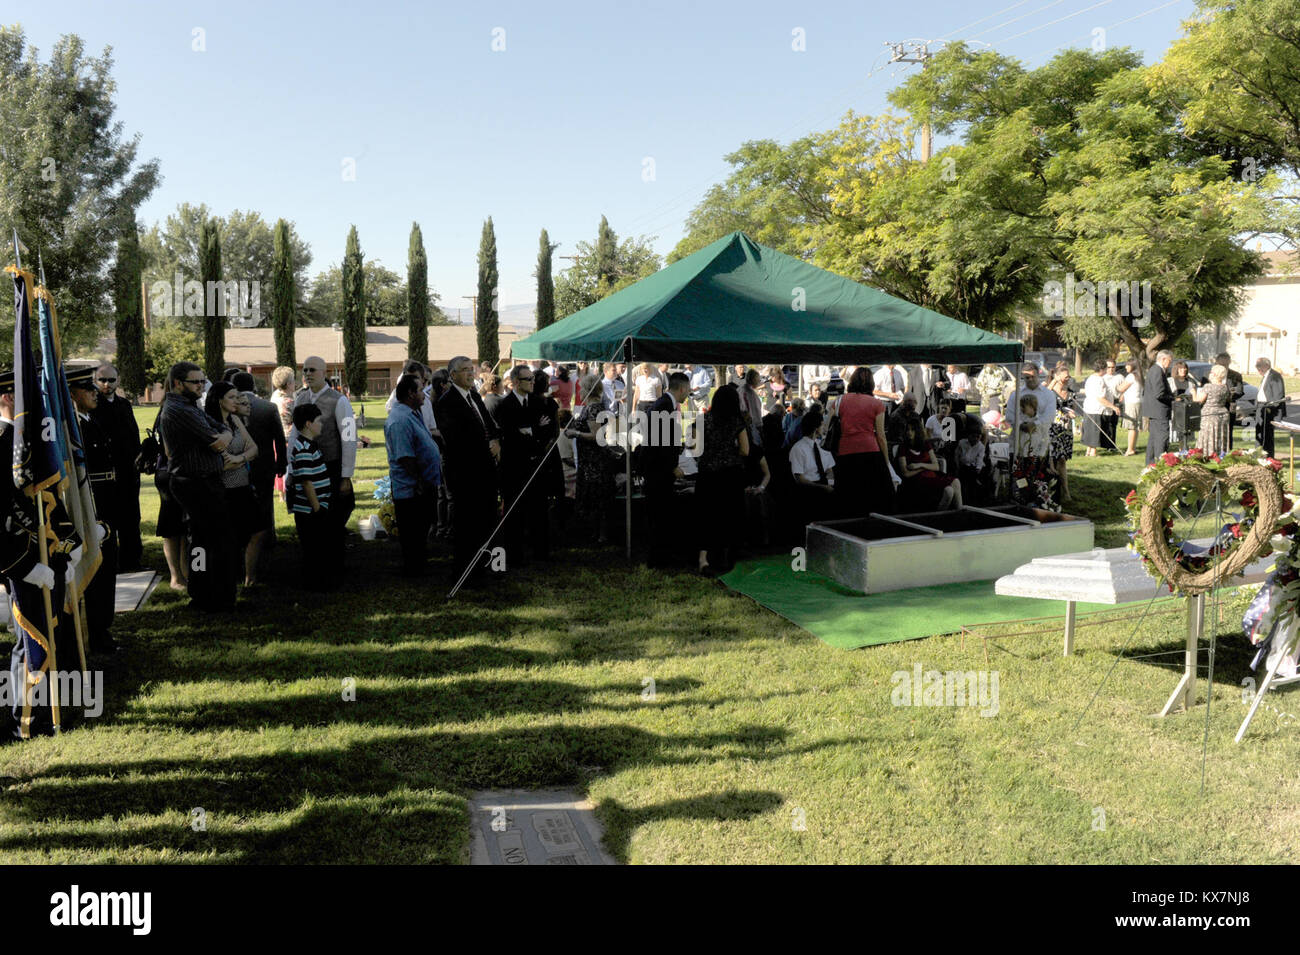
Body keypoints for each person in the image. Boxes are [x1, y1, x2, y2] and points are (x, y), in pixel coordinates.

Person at [157, 361, 236, 612]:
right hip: (194, 484)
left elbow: (221, 429)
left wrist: (223, 436)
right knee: (207, 542)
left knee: (205, 540)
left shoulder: (190, 405)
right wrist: (223, 438)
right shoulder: (180, 410)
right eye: (196, 382)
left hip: (204, 481)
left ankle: (208, 591)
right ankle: (207, 593)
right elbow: (218, 442)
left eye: (203, 381)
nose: (202, 386)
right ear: (178, 383)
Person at [436, 356, 502, 583]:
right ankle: (464, 573)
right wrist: (486, 448)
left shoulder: (473, 396)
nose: (470, 373)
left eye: (470, 369)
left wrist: (495, 441)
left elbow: (490, 425)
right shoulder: (447, 403)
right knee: (467, 526)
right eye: (464, 370)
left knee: (485, 522)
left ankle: (483, 568)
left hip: (485, 472)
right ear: (452, 375)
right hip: (465, 474)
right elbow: (456, 442)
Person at [68, 368, 118, 653]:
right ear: (73, 394)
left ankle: (103, 628)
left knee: (109, 563)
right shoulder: (72, 427)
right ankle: (95, 632)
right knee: (97, 567)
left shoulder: (90, 420)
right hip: (92, 503)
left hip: (107, 500)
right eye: (88, 390)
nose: (95, 393)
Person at [290, 357, 357, 555]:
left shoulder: (339, 400)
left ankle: (333, 559)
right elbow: (294, 435)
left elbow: (349, 439)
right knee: (309, 516)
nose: (308, 374)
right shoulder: (299, 398)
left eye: (312, 370)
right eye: (305, 370)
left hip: (331, 467)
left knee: (334, 516)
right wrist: (290, 467)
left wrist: (346, 476)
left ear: (324, 373)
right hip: (305, 468)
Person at [384, 373, 443, 576]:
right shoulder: (400, 420)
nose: (424, 396)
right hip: (410, 489)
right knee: (412, 532)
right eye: (420, 391)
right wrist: (420, 482)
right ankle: (414, 569)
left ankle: (419, 563)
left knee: (420, 530)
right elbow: (405, 457)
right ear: (410, 393)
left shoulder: (411, 413)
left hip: (420, 485)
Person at [230, 372, 286, 585]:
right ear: (253, 385)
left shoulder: (230, 405)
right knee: (264, 504)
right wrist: (281, 464)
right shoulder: (267, 407)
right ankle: (267, 537)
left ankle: (242, 545)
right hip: (263, 465)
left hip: (236, 465)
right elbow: (279, 440)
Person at [204, 382, 260, 592]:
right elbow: (221, 462)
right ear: (219, 400)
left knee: (254, 531)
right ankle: (226, 578)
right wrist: (238, 460)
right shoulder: (209, 424)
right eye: (232, 397)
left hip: (243, 485)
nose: (237, 401)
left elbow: (254, 448)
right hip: (224, 489)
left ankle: (247, 577)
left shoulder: (235, 420)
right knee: (228, 537)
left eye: (238, 397)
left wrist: (239, 458)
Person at [88, 363, 142, 572]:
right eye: (102, 380)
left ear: (118, 381)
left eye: (111, 380)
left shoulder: (124, 405)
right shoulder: (92, 407)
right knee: (108, 521)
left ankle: (132, 561)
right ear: (95, 381)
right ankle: (108, 562)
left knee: (131, 520)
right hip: (105, 475)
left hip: (128, 473)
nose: (106, 384)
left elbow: (132, 435)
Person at [495, 364, 550, 566]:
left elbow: (545, 431)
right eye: (528, 380)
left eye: (533, 379)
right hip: (514, 466)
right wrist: (532, 431)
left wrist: (530, 432)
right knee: (514, 511)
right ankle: (514, 554)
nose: (533, 383)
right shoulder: (505, 405)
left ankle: (540, 552)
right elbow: (511, 436)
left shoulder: (537, 402)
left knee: (538, 510)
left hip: (535, 465)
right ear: (516, 382)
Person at [694, 382, 749, 576]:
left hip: (707, 474)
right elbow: (745, 450)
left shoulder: (703, 420)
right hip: (730, 475)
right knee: (728, 516)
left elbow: (694, 447)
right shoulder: (736, 422)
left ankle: (703, 559)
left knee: (706, 517)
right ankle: (725, 557)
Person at [643, 372, 689, 568]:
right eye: (687, 390)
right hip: (658, 470)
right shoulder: (665, 407)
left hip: (656, 467)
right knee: (660, 514)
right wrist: (672, 466)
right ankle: (658, 558)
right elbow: (661, 442)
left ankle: (660, 556)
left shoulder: (663, 404)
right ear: (681, 389)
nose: (687, 394)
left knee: (660, 514)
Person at [833, 367, 892, 517]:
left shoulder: (839, 401)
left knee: (848, 496)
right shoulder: (877, 404)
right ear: (871, 383)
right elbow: (880, 436)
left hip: (845, 451)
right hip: (870, 452)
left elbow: (830, 425)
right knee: (873, 496)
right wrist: (886, 461)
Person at [289, 404, 337, 590]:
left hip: (315, 507)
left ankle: (319, 579)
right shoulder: (303, 449)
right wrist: (317, 508)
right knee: (313, 547)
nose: (322, 424)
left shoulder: (309, 445)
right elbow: (306, 482)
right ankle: (315, 582)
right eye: (318, 421)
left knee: (319, 546)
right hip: (309, 511)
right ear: (308, 424)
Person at [567, 373, 617, 544]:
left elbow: (596, 436)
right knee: (598, 498)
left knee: (596, 497)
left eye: (581, 388)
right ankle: (597, 533)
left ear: (587, 390)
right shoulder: (597, 407)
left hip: (594, 461)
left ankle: (599, 535)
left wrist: (576, 433)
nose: (579, 392)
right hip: (594, 460)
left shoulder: (593, 408)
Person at [896, 416, 961, 511]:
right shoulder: (903, 447)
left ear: (917, 431)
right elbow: (906, 473)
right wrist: (925, 468)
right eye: (908, 430)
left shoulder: (925, 444)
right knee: (949, 491)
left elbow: (936, 466)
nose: (909, 432)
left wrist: (920, 465)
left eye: (912, 430)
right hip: (917, 480)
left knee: (956, 481)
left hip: (932, 475)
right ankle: (938, 516)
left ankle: (959, 511)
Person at [788, 408, 837, 522]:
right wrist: (823, 487)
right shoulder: (798, 449)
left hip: (823, 487)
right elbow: (799, 479)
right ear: (816, 429)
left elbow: (829, 470)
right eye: (822, 425)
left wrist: (830, 484)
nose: (824, 427)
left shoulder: (819, 447)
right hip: (807, 491)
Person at [1080, 360, 1121, 457]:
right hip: (1096, 409)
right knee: (1095, 431)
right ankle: (1093, 452)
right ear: (1102, 369)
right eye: (1106, 368)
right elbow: (1100, 398)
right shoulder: (1099, 380)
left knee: (1091, 430)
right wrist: (1113, 407)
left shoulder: (1090, 378)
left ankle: (1089, 451)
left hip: (1089, 408)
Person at [1046, 365, 1075, 502]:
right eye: (1065, 377)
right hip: (1053, 427)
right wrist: (1053, 381)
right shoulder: (1051, 392)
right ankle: (1052, 491)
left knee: (1062, 460)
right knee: (1052, 459)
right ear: (1058, 377)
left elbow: (1073, 408)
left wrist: (1072, 415)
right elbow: (1044, 396)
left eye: (1068, 376)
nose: (1067, 379)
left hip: (1066, 430)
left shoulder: (1071, 393)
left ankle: (1066, 491)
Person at [1192, 363, 1232, 457]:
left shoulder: (1208, 387)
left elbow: (1198, 401)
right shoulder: (1225, 387)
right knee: (1220, 435)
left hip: (1210, 415)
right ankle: (1220, 455)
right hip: (1222, 414)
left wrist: (1193, 392)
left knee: (1208, 436)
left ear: (1214, 374)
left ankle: (1208, 455)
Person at [1142, 350, 1175, 465]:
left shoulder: (1155, 370)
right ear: (1163, 359)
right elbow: (1159, 394)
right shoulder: (1157, 371)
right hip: (1159, 411)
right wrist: (1173, 398)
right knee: (1161, 438)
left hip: (1155, 411)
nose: (1170, 364)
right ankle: (1160, 462)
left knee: (1153, 439)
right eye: (1169, 361)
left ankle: (1151, 464)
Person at [1256, 357, 1287, 456]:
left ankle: (1268, 457)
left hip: (1268, 409)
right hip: (1261, 407)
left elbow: (1278, 396)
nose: (1258, 369)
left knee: (1267, 435)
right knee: (1259, 433)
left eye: (1259, 366)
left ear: (1267, 365)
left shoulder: (1275, 376)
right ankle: (1259, 454)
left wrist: (1270, 408)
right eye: (1257, 366)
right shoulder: (1266, 375)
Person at [1216, 352, 1245, 448]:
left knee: (1228, 432)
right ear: (1217, 363)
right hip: (1214, 408)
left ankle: (1228, 452)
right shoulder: (1210, 375)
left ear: (1229, 363)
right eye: (1221, 365)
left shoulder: (1236, 376)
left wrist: (1228, 396)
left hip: (1229, 408)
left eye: (1226, 365)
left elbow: (1240, 392)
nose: (1224, 367)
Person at [1117, 360, 1142, 456]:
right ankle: (1132, 448)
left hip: (1132, 403)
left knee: (1131, 427)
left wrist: (1117, 385)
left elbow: (1120, 388)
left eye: (1128, 365)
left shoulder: (1131, 376)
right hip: (1137, 402)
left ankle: (1130, 449)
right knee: (1134, 427)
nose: (1126, 367)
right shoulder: (1138, 376)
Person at [1101, 359, 1123, 452]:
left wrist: (1122, 396)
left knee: (1113, 424)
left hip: (1115, 401)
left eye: (1113, 367)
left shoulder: (1119, 377)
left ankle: (1112, 445)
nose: (1111, 369)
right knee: (1104, 423)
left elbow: (1125, 388)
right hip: (1104, 402)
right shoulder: (1102, 377)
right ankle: (1104, 444)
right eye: (1109, 367)